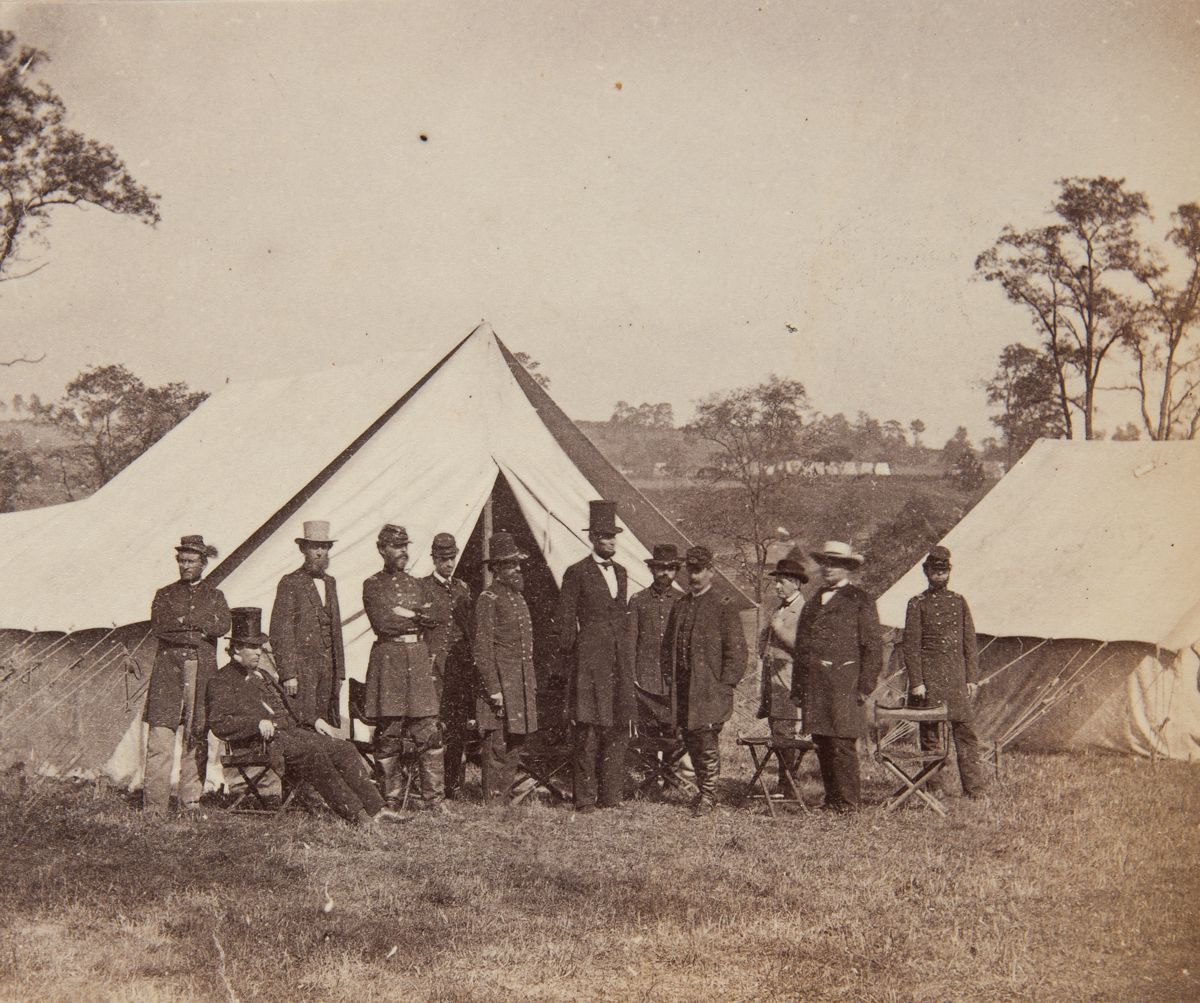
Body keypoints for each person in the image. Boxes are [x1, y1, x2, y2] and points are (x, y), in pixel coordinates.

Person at [205, 607, 408, 826]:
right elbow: (219, 723)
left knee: (344, 748)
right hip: (261, 743)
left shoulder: (262, 674)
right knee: (313, 752)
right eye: (252, 647)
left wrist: (314, 720)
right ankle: (358, 815)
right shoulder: (222, 680)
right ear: (236, 649)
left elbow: (291, 706)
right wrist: (256, 723)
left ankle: (378, 809)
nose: (259, 653)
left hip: (290, 734)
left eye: (260, 647)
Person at [552, 500, 636, 813]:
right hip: (588, 664)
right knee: (587, 730)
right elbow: (565, 622)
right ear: (592, 539)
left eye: (614, 536)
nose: (612, 542)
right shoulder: (576, 572)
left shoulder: (622, 573)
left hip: (617, 665)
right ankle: (585, 799)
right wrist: (573, 661)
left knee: (616, 728)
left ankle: (611, 796)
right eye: (606, 537)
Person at [361, 524, 451, 813]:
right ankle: (392, 798)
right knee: (389, 734)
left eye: (405, 546)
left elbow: (435, 616)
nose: (403, 552)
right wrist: (416, 615)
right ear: (381, 549)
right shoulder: (372, 584)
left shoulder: (417, 584)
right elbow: (383, 622)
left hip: (418, 661)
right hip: (389, 663)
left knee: (429, 732)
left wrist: (407, 614)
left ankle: (434, 799)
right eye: (396, 547)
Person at [792, 540, 882, 814]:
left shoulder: (860, 599)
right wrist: (799, 688)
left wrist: (865, 686)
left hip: (845, 684)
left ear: (847, 568)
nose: (828, 568)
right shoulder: (813, 600)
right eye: (825, 563)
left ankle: (849, 803)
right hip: (816, 685)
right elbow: (802, 647)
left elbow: (873, 647)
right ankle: (832, 800)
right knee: (822, 741)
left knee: (842, 744)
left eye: (835, 563)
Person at [144, 535, 232, 815]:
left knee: (196, 735)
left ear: (203, 564)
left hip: (201, 671)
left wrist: (186, 621)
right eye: (181, 561)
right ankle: (154, 807)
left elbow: (222, 626)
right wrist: (198, 630)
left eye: (191, 561)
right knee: (160, 735)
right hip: (167, 672)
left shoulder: (215, 596)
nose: (185, 566)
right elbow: (160, 627)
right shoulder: (164, 594)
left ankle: (190, 803)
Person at [661, 546, 749, 816]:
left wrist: (725, 685)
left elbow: (737, 652)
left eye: (699, 570)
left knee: (706, 742)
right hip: (684, 688)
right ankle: (703, 791)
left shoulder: (723, 604)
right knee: (691, 739)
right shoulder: (680, 604)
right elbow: (667, 647)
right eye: (690, 570)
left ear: (711, 571)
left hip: (710, 689)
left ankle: (709, 796)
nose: (694, 576)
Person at [904, 546, 986, 798]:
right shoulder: (917, 603)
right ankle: (934, 788)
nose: (940, 574)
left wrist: (972, 678)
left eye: (944, 570)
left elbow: (969, 643)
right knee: (930, 735)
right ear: (926, 571)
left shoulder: (959, 601)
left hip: (957, 678)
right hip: (929, 680)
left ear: (949, 572)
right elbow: (911, 647)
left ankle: (974, 790)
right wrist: (917, 682)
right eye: (935, 570)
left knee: (966, 734)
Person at [473, 532, 539, 802]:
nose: (517, 569)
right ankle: (493, 801)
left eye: (517, 563)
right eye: (511, 564)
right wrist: (493, 689)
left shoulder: (517, 597)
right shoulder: (488, 599)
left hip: (519, 683)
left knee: (516, 740)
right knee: (497, 743)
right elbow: (482, 648)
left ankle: (505, 794)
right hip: (501, 684)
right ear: (497, 568)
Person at [269, 520, 344, 734]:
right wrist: (288, 674)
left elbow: (336, 629)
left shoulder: (330, 582)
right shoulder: (290, 582)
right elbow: (280, 630)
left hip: (328, 669)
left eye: (324, 547)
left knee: (326, 722)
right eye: (314, 547)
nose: (320, 552)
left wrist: (340, 672)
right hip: (302, 670)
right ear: (303, 549)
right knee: (304, 724)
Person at [422, 532, 475, 800]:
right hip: (433, 670)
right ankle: (432, 785)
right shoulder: (422, 588)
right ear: (434, 559)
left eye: (452, 558)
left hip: (458, 670)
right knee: (433, 728)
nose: (449, 564)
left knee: (457, 728)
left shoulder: (463, 588)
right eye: (443, 559)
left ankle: (453, 784)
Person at [756, 557, 808, 793]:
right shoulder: (780, 608)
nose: (777, 586)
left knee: (786, 732)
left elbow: (801, 646)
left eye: (782, 581)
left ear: (796, 583)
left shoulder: (803, 610)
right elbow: (766, 637)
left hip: (788, 681)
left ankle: (787, 785)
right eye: (776, 581)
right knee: (777, 729)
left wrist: (777, 629)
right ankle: (785, 782)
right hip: (772, 680)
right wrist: (763, 648)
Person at [626, 544, 684, 737]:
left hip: (673, 678)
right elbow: (630, 642)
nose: (665, 573)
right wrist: (632, 676)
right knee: (647, 730)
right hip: (645, 678)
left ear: (676, 571)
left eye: (670, 568)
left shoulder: (683, 601)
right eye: (660, 568)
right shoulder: (638, 600)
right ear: (652, 569)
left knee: (674, 730)